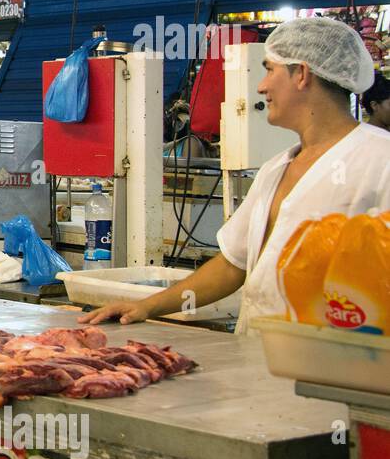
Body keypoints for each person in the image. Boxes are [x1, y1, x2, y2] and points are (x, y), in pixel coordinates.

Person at [81, 17, 390, 334]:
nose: (261, 85)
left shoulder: (380, 161)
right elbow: (232, 266)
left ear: (302, 74)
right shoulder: (276, 169)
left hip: (335, 370)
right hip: (256, 363)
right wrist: (147, 306)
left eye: (270, 69)